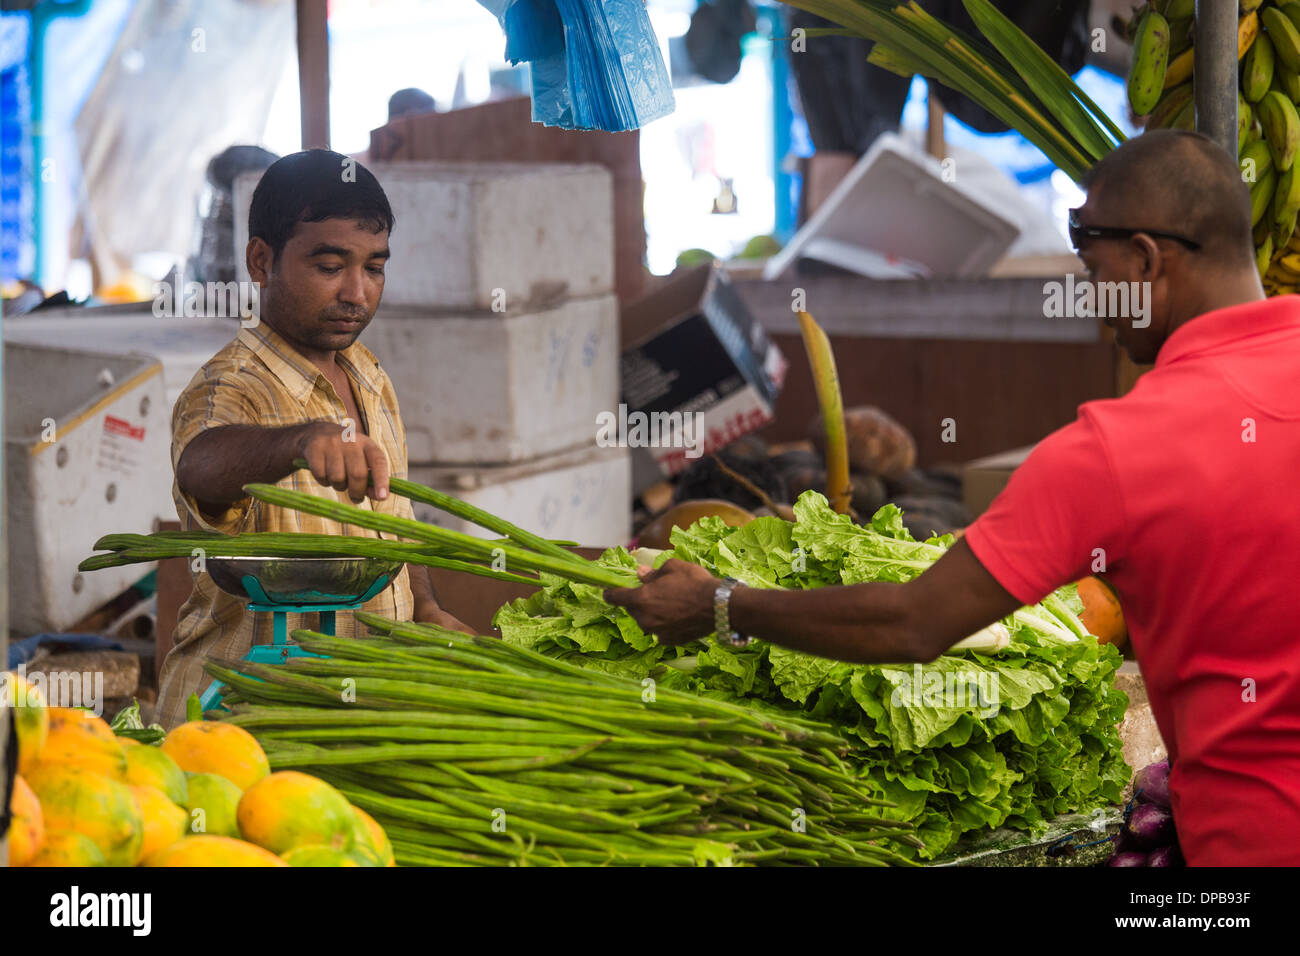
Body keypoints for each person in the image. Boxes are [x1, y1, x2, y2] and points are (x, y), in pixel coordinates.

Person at [607, 129, 1300, 866]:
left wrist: (719, 604)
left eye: (1095, 273)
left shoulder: (1117, 449)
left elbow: (912, 623)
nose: (1096, 307)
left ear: (1145, 259)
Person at [156, 150, 470, 728]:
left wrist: (424, 606)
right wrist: (297, 442)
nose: (357, 292)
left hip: (353, 714)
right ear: (261, 260)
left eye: (374, 268)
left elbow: (394, 513)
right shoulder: (227, 388)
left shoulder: (368, 373)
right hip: (241, 729)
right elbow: (201, 465)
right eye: (330, 267)